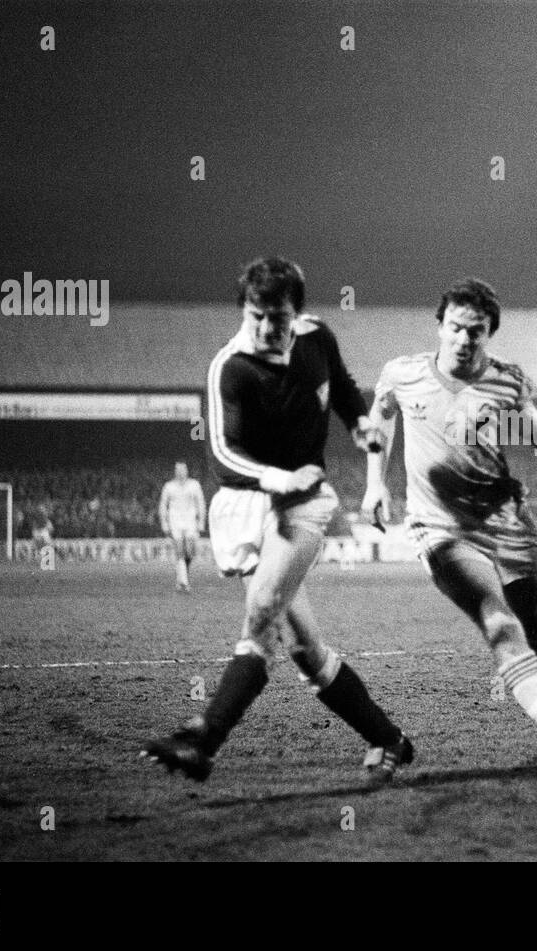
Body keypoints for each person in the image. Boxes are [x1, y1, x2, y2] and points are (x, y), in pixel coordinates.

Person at [142, 257, 413, 785]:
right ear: (245, 310)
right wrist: (272, 477)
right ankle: (390, 740)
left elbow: (340, 383)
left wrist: (359, 424)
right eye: (256, 314)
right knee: (306, 650)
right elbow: (222, 452)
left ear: (298, 315)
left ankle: (204, 739)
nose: (268, 328)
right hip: (247, 503)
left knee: (262, 609)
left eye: (279, 317)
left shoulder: (317, 339)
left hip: (305, 502)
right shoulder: (230, 366)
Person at [361, 277, 537, 772]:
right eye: (456, 328)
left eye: (477, 331)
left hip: (504, 520)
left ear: (490, 334)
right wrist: (375, 485)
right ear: (440, 326)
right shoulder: (403, 375)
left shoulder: (507, 382)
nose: (464, 339)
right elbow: (380, 419)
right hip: (437, 525)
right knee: (498, 618)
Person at [158, 461, 206, 592]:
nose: (180, 472)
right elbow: (163, 505)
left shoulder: (194, 485)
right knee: (179, 549)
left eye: (183, 469)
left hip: (190, 521)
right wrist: (164, 523)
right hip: (175, 521)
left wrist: (201, 521)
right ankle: (184, 582)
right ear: (175, 471)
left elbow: (200, 503)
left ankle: (182, 576)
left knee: (189, 552)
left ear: (187, 471)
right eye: (178, 470)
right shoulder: (169, 486)